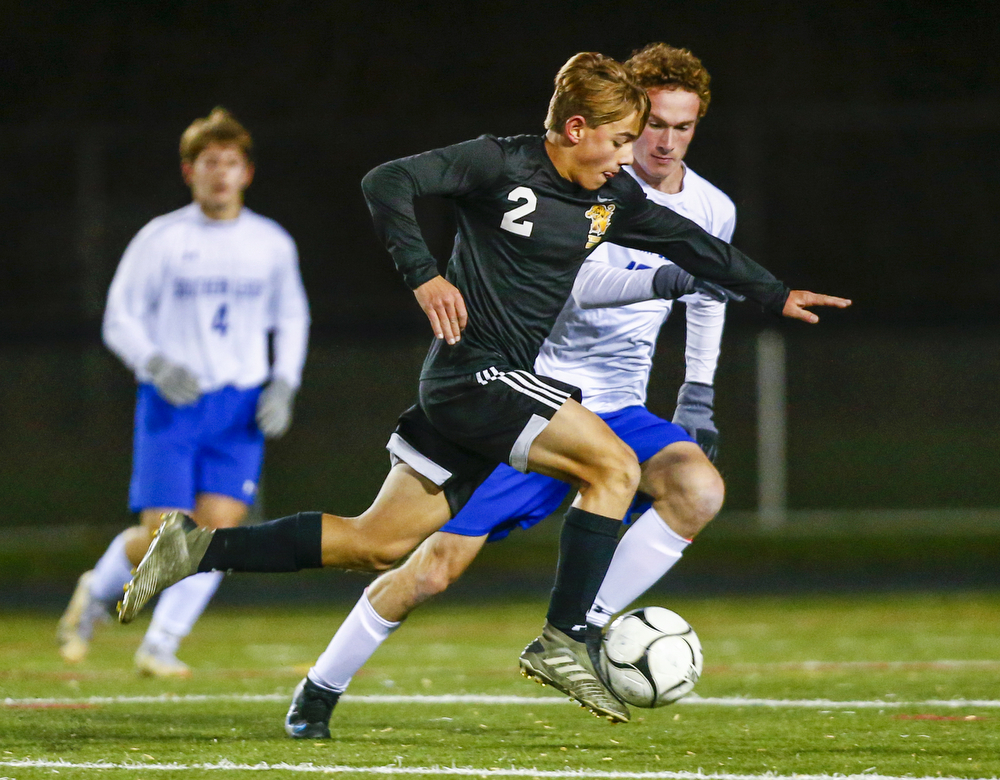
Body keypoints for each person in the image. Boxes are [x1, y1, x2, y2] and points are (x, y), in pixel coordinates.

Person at [115, 51, 848, 726]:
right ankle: (565, 638)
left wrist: (773, 292)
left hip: (484, 389)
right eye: (621, 139)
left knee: (377, 544)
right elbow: (386, 182)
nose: (629, 157)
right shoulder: (498, 164)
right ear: (575, 127)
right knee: (616, 468)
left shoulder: (608, 197)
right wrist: (424, 274)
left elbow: (693, 244)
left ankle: (197, 549)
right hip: (477, 375)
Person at [279, 42, 738, 733]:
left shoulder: (709, 207)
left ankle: (577, 629)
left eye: (685, 126)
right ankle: (321, 686)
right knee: (432, 569)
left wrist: (697, 392)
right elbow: (578, 288)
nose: (666, 142)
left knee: (698, 489)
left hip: (619, 407)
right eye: (654, 125)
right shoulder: (591, 186)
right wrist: (664, 277)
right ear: (623, 119)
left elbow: (712, 295)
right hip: (534, 394)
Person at [56, 107, 310, 677]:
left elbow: (291, 317)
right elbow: (119, 317)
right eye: (207, 163)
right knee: (162, 539)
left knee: (216, 537)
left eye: (230, 163)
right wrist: (154, 363)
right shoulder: (161, 238)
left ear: (246, 172)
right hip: (173, 404)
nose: (219, 173)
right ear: (188, 171)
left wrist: (284, 383)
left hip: (240, 405)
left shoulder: (270, 242)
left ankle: (161, 643)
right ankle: (95, 595)